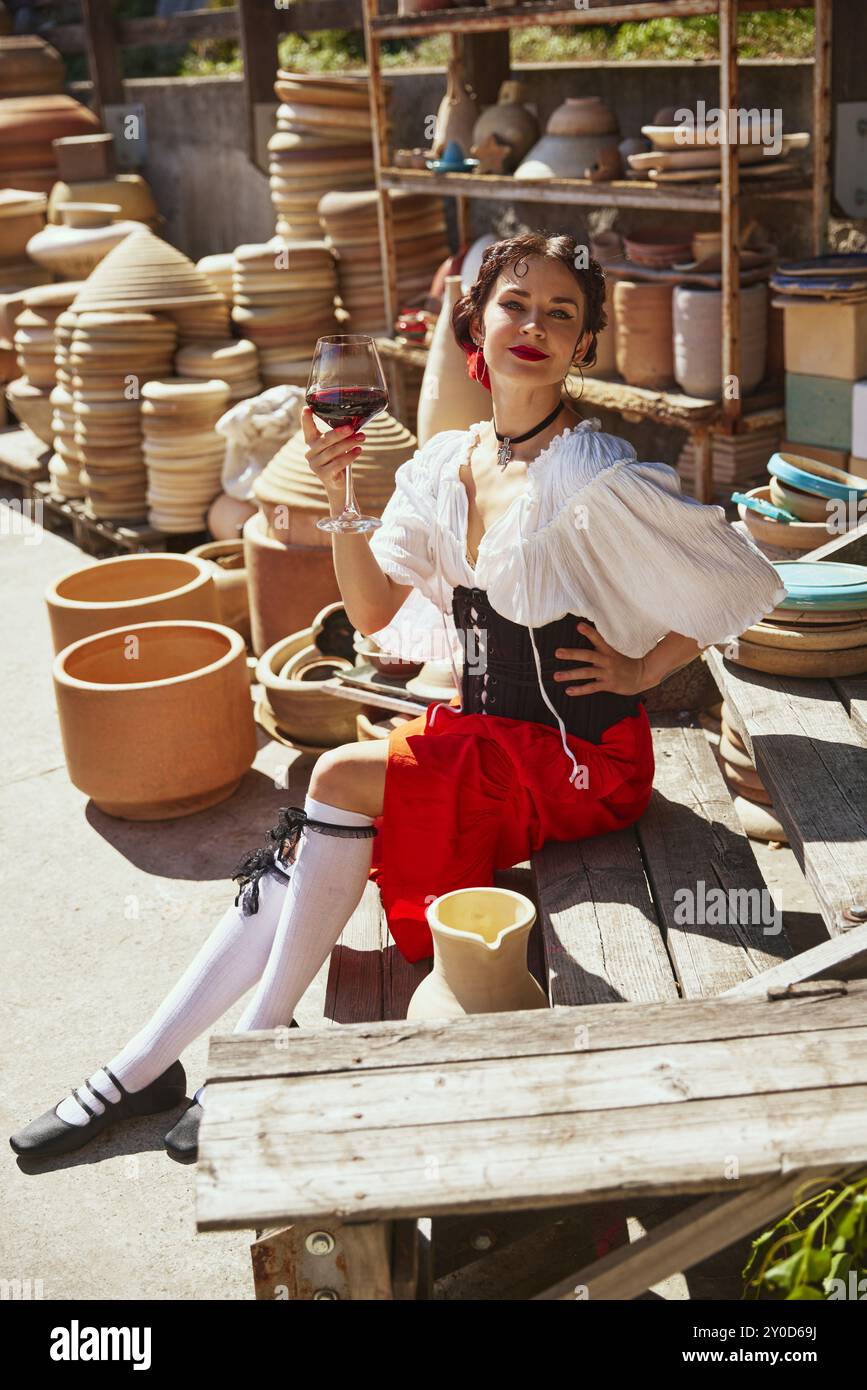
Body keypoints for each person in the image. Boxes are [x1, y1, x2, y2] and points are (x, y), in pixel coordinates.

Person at [10, 231, 786, 1164]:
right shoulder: (445, 465)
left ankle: (250, 1053)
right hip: (488, 740)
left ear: (585, 345)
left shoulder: (593, 472)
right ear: (477, 323)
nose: (533, 325)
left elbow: (735, 578)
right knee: (315, 824)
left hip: (581, 761)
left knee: (337, 774)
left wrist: (641, 671)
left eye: (560, 313)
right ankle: (144, 1067)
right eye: (514, 304)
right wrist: (342, 489)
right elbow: (374, 614)